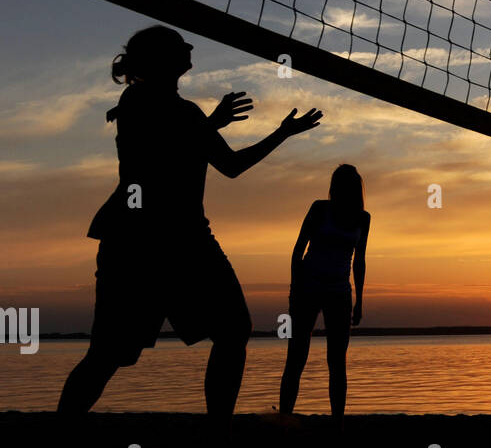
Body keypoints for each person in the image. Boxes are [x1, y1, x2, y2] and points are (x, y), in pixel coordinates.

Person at [58, 25, 321, 425]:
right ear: (163, 59)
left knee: (234, 330)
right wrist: (211, 125)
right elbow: (160, 154)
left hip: (187, 241)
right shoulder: (136, 102)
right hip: (139, 242)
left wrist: (280, 132)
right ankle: (58, 433)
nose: (191, 46)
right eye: (182, 45)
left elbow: (227, 165)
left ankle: (218, 434)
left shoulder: (186, 113)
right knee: (109, 354)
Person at [279, 165, 370, 419]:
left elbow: (359, 261)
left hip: (340, 292)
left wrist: (360, 301)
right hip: (308, 287)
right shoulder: (320, 209)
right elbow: (298, 250)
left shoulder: (363, 218)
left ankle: (337, 423)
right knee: (297, 357)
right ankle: (284, 418)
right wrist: (295, 287)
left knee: (337, 362)